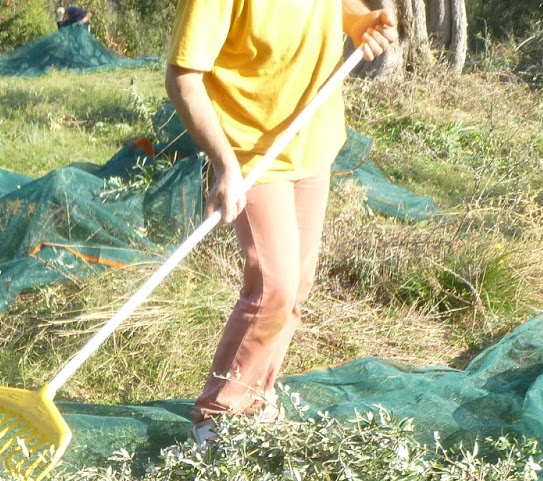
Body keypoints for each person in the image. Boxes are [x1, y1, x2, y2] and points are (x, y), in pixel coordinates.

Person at [166, 0, 397, 444]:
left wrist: (359, 21)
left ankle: (256, 398)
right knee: (274, 287)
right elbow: (183, 77)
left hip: (311, 141)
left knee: (297, 287)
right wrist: (224, 165)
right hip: (252, 155)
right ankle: (218, 416)